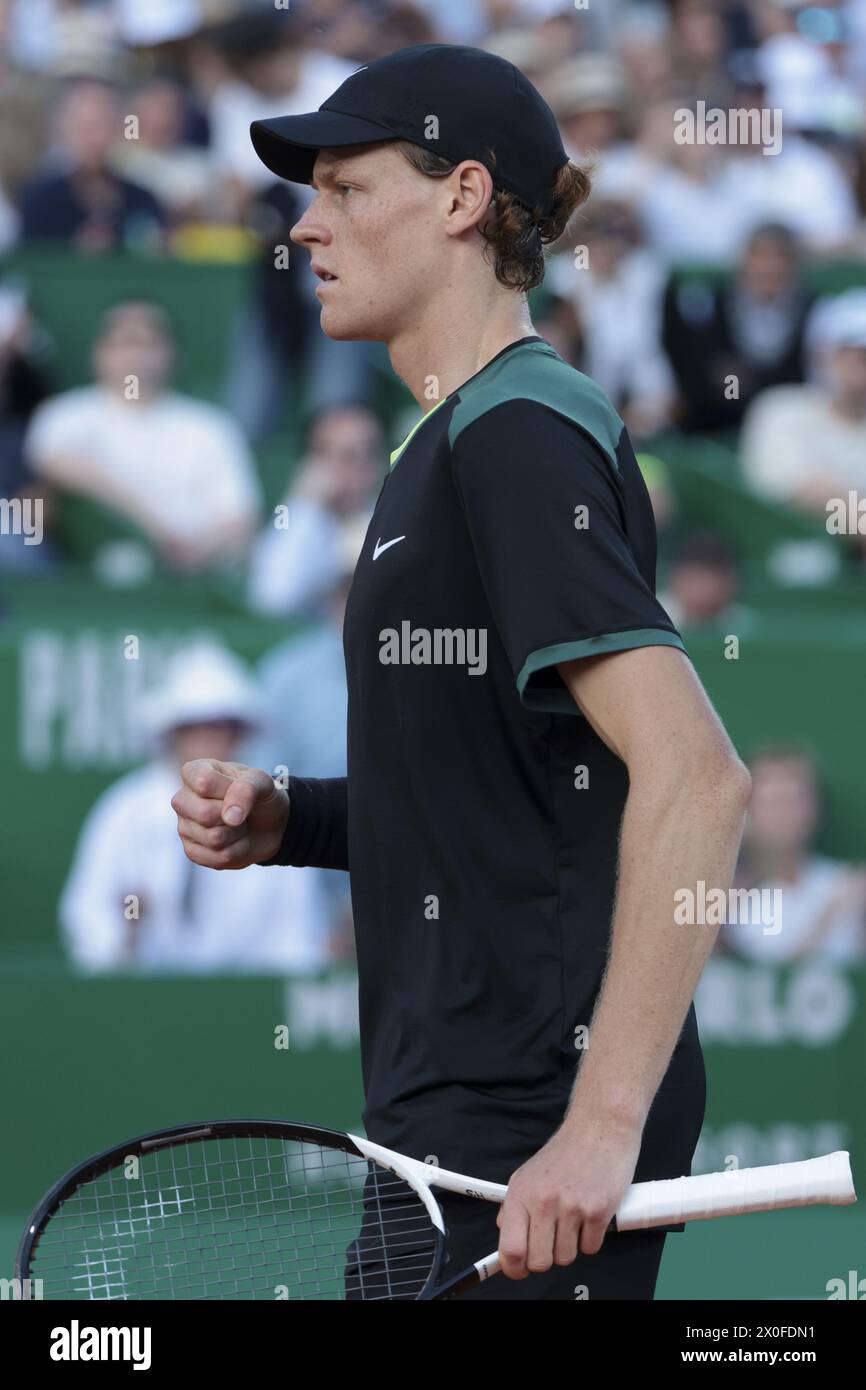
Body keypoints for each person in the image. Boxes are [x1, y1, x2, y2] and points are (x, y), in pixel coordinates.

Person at [172, 44, 751, 1301]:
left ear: (460, 197)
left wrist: (597, 1127)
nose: (306, 224)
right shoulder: (459, 437)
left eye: (344, 186)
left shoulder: (514, 435)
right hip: (464, 1116)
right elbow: (518, 792)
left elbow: (698, 780)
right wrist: (296, 819)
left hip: (526, 1124)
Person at [62, 643, 332, 974]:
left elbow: (295, 934)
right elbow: (87, 914)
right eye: (197, 726)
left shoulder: (271, 806)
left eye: (222, 725)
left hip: (247, 1010)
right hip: (142, 1009)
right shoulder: (125, 811)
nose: (211, 737)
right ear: (173, 733)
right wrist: (123, 938)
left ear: (239, 732)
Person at [25, 300, 262, 574]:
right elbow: (60, 466)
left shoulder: (209, 426)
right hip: (83, 581)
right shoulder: (64, 415)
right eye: (123, 342)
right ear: (99, 354)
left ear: (171, 354)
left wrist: (195, 551)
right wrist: (156, 529)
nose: (133, 355)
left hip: (191, 579)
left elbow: (240, 520)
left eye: (146, 343)